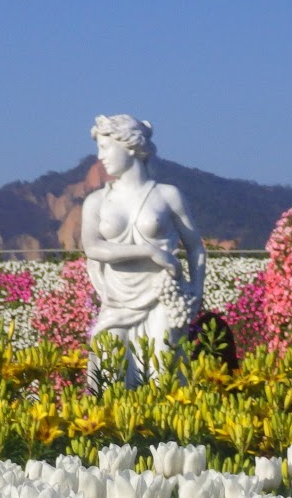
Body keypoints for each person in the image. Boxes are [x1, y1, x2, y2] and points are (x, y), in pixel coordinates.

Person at [80, 115, 206, 387]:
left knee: (163, 379)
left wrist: (196, 288)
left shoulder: (167, 195)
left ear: (129, 146)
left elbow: (195, 246)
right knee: (108, 380)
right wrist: (148, 251)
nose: (100, 156)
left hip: (161, 296)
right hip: (116, 300)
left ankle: (169, 432)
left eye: (105, 147)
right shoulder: (96, 201)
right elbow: (92, 247)